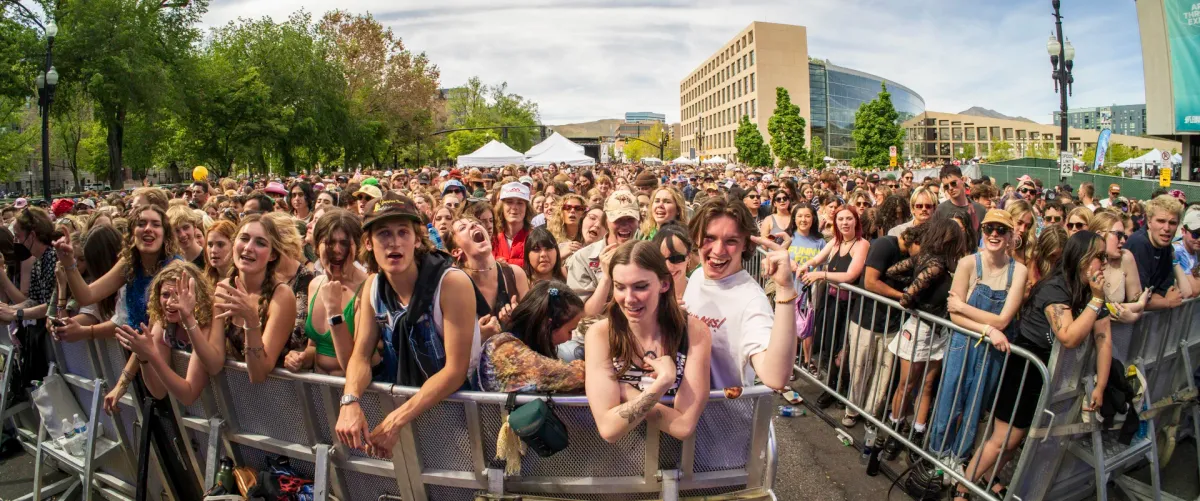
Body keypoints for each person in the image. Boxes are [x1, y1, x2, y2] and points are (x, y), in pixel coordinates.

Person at [954, 232, 1113, 501]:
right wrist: (1096, 301)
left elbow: (1104, 337)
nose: (1104, 262)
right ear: (1082, 258)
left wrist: (1102, 385)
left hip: (1046, 376)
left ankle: (987, 479)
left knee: (1016, 440)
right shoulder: (1057, 288)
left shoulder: (1090, 289)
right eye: (1099, 256)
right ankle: (961, 489)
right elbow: (1068, 336)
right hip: (1024, 370)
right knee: (1004, 439)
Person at [335, 193, 483, 459]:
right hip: (405, 414)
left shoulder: (451, 283)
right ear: (368, 242)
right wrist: (350, 400)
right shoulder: (373, 287)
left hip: (458, 416)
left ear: (417, 239)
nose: (394, 242)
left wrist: (396, 420)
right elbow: (361, 355)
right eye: (383, 233)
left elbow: (455, 371)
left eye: (403, 232)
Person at [585, 241, 711, 442]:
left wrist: (626, 391)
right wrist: (661, 384)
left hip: (677, 458)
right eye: (620, 287)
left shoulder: (694, 332)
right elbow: (608, 429)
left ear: (664, 284)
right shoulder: (601, 335)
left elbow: (683, 426)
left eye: (640, 287)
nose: (629, 298)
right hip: (617, 458)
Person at [930, 210, 1028, 462]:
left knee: (975, 408)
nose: (994, 234)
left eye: (1001, 230)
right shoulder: (968, 263)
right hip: (963, 344)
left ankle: (959, 458)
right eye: (989, 228)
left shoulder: (1018, 271)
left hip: (992, 351)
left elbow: (1003, 320)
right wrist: (989, 329)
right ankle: (936, 456)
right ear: (982, 232)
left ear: (1011, 236)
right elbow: (955, 317)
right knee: (949, 401)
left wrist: (964, 307)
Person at [683, 197, 798, 390]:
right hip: (686, 407)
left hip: (726, 409)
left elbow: (775, 377)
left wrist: (785, 289)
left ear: (745, 244)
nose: (718, 250)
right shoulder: (697, 276)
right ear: (696, 237)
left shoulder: (751, 300)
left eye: (731, 241)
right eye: (710, 238)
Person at [881, 213, 969, 460]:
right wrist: (915, 291)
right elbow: (904, 293)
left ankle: (917, 433)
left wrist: (914, 283)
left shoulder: (937, 262)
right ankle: (896, 430)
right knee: (908, 384)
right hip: (920, 329)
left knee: (926, 385)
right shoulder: (935, 264)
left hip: (937, 331)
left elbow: (893, 272)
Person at [111, 261, 215, 408]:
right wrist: (143, 357)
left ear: (195, 295)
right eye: (165, 294)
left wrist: (152, 355)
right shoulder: (164, 323)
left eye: (178, 294)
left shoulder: (206, 325)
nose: (170, 302)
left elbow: (189, 395)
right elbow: (158, 392)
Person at [797, 205, 869, 408]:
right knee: (829, 346)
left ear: (856, 221)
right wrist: (806, 266)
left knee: (842, 351)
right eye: (840, 219)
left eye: (849, 219)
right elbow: (817, 258)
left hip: (850, 305)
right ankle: (832, 387)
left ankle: (842, 389)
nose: (845, 223)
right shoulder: (836, 241)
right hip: (831, 302)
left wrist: (820, 274)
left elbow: (851, 275)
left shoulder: (862, 244)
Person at [285, 209, 371, 376]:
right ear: (317, 247)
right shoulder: (315, 284)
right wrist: (300, 358)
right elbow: (315, 347)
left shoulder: (367, 288)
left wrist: (334, 312)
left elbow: (355, 365)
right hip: (319, 387)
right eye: (330, 242)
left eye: (344, 243)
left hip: (353, 389)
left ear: (357, 247)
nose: (337, 250)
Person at [476, 281, 586, 393]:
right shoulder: (505, 350)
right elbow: (578, 375)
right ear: (549, 325)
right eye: (570, 331)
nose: (570, 338)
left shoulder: (524, 345)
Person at [446, 216, 528, 338]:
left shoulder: (515, 275)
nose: (473, 225)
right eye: (462, 228)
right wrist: (479, 338)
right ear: (456, 251)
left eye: (475, 223)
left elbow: (533, 329)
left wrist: (517, 320)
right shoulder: (454, 287)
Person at [569, 191, 641, 314]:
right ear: (606, 221)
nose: (625, 225)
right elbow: (584, 314)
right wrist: (606, 278)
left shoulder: (647, 254)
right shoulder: (582, 258)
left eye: (630, 219)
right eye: (618, 219)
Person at [1126, 195, 1184, 311]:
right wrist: (1166, 303)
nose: (1166, 228)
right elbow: (1137, 299)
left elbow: (1166, 290)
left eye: (1172, 223)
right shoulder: (1139, 244)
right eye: (1161, 221)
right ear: (1149, 222)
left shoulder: (1166, 245)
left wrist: (1158, 300)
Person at [933, 164, 986, 234]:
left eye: (953, 183)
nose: (950, 188)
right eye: (946, 186)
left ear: (963, 180)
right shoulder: (940, 210)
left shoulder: (979, 209)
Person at [493, 182, 533, 267]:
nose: (514, 207)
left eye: (520, 203)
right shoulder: (492, 238)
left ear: (527, 208)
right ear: (502, 207)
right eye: (509, 202)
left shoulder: (534, 238)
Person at [652, 223, 693, 302]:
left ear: (689, 257)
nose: (668, 267)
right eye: (660, 259)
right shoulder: (647, 298)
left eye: (675, 258)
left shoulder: (701, 293)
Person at [547, 194, 587, 260]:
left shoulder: (588, 238)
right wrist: (560, 256)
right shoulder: (550, 238)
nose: (572, 211)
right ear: (561, 212)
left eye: (578, 208)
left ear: (583, 213)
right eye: (567, 207)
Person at [168, 206, 206, 270]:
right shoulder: (170, 262)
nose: (182, 235)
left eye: (186, 228)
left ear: (194, 227)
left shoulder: (208, 258)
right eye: (176, 230)